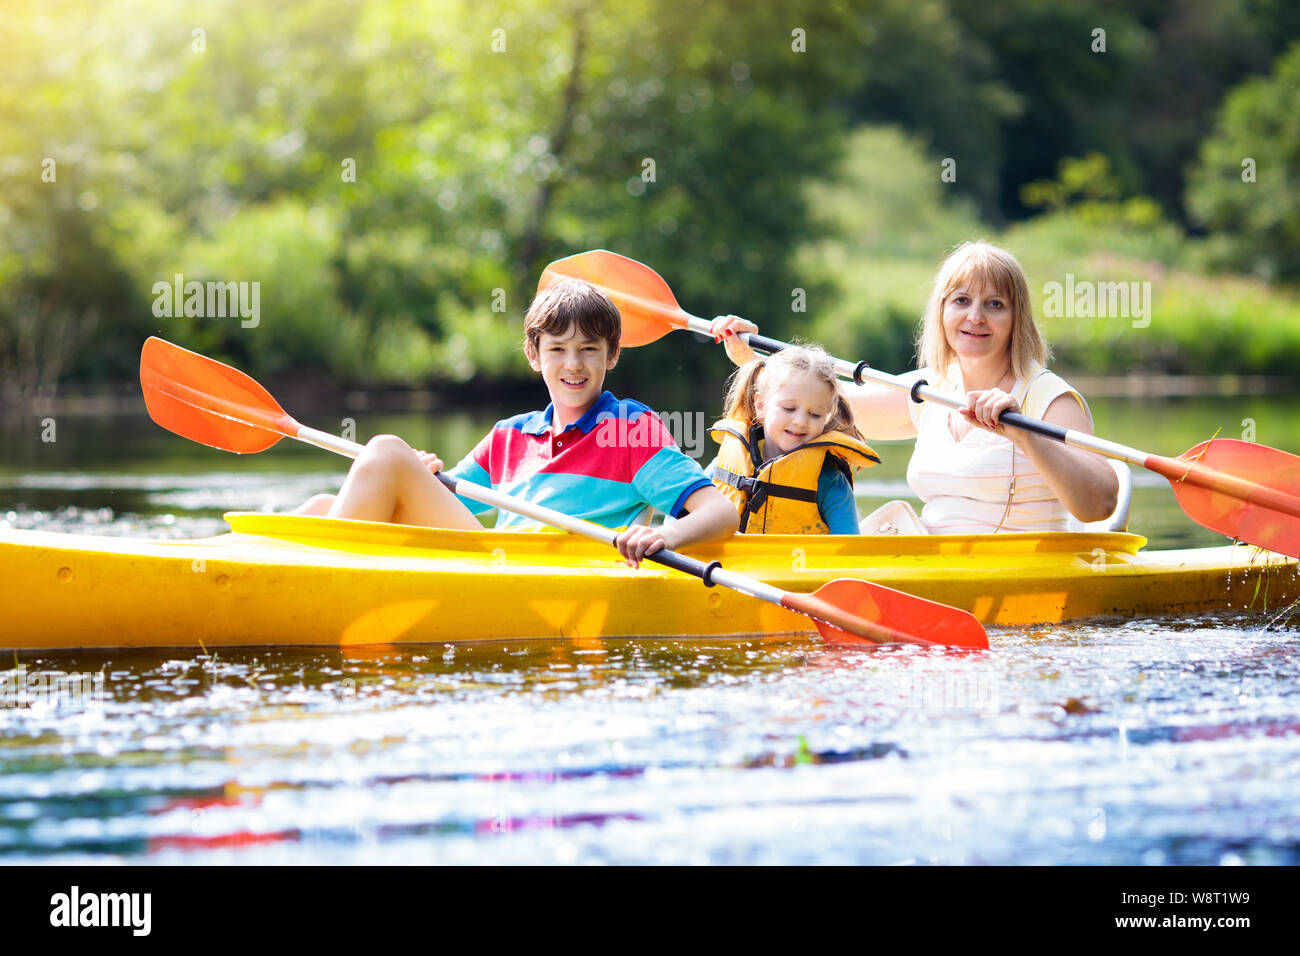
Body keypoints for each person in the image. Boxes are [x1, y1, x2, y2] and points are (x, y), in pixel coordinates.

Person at [294, 279, 739, 565]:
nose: (574, 364)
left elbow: (721, 512)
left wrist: (666, 535)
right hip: (500, 562)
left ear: (612, 355)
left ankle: (314, 590)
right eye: (558, 349)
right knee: (321, 505)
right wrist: (424, 475)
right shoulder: (510, 434)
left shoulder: (630, 429)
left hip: (535, 572)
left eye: (589, 349)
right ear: (533, 355)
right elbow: (452, 502)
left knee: (387, 450)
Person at [711, 242, 1118, 534]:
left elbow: (1099, 505)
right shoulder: (931, 389)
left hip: (1022, 573)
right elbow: (817, 402)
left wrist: (1026, 435)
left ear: (1017, 318)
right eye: (961, 301)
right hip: (934, 567)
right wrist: (756, 361)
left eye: (995, 304)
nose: (975, 317)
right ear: (941, 311)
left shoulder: (1050, 397)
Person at [703, 343, 879, 534]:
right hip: (722, 564)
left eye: (815, 414)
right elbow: (682, 516)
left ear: (827, 415)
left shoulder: (830, 483)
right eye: (789, 408)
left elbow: (848, 550)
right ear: (761, 405)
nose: (801, 421)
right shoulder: (721, 467)